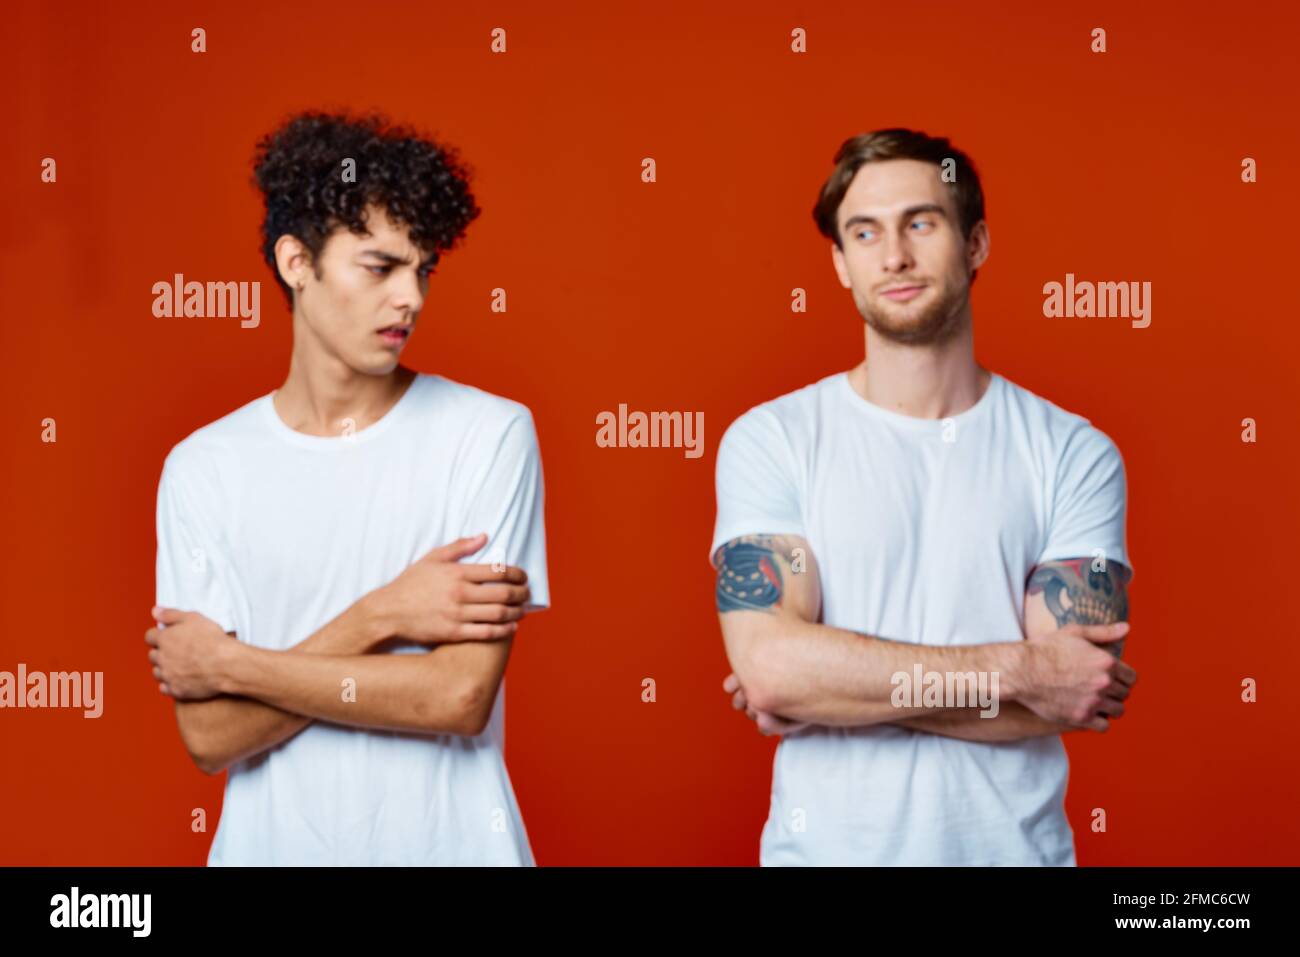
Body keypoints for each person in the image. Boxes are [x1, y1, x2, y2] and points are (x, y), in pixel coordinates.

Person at [710, 128, 1135, 866]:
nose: (895, 256)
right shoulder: (772, 437)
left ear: (975, 244)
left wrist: (830, 685)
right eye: (865, 233)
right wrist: (1024, 671)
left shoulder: (1073, 451)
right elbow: (772, 670)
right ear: (840, 264)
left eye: (921, 223)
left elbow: (1076, 689)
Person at [146, 111, 550, 866]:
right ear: (296, 261)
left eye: (423, 270)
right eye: (379, 267)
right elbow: (210, 737)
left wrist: (233, 667)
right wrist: (384, 613)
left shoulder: (489, 434)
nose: (413, 299)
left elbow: (456, 698)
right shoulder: (203, 467)